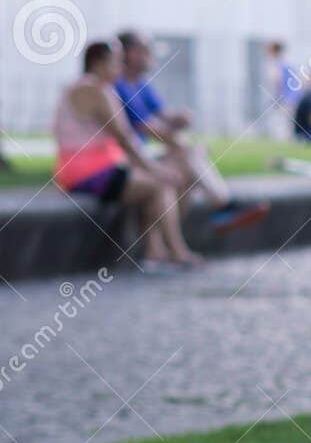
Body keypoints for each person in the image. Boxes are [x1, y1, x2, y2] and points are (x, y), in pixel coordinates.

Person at [52, 39, 201, 270]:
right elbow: (124, 137)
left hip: (103, 168)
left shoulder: (99, 88)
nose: (120, 67)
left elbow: (125, 139)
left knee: (166, 178)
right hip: (88, 173)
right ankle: (176, 251)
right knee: (161, 183)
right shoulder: (92, 89)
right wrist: (154, 168)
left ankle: (156, 251)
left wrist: (153, 167)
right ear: (97, 63)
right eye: (116, 62)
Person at [113, 31, 269, 234]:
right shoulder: (118, 86)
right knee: (188, 157)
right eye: (146, 51)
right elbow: (146, 127)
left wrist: (180, 119)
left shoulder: (141, 84)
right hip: (125, 159)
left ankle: (168, 245)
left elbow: (164, 116)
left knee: (187, 166)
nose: (151, 56)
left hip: (141, 155)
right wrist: (181, 143)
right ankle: (222, 206)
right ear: (132, 53)